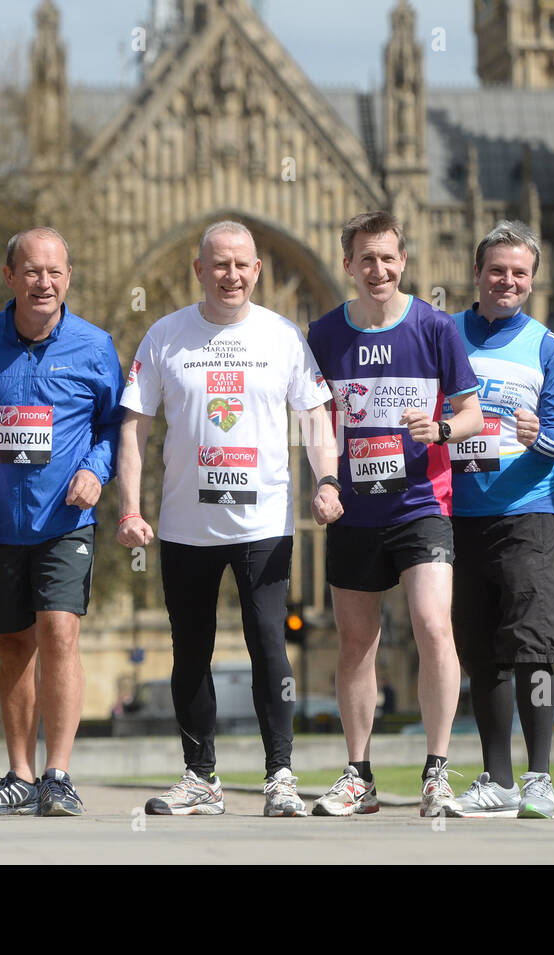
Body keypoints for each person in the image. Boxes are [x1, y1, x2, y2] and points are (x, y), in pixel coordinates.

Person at [118, 220, 341, 817]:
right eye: (219, 264)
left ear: (257, 270)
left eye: (242, 264)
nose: (232, 275)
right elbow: (134, 426)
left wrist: (326, 479)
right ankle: (200, 779)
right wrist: (131, 506)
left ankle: (281, 777)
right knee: (190, 649)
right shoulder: (165, 336)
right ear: (200, 271)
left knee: (269, 643)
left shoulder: (283, 336)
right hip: (185, 524)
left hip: (263, 523)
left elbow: (317, 417)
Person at [306, 211, 483, 817]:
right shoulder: (325, 334)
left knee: (434, 625)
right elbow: (315, 421)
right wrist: (326, 481)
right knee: (357, 642)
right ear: (348, 264)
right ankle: (358, 775)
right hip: (353, 511)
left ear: (402, 261)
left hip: (421, 504)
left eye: (388, 258)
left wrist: (439, 427)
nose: (377, 269)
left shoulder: (435, 326)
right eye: (365, 259)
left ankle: (437, 772)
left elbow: (473, 415)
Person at [0, 227, 124, 816]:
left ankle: (59, 774)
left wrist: (97, 472)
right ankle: (20, 773)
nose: (43, 282)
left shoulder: (96, 347)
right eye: (31, 271)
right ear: (10, 277)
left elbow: (112, 427)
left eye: (54, 272)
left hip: (65, 519)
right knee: (13, 646)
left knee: (59, 632)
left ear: (68, 278)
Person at [444, 221, 554, 819]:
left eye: (519, 273)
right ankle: (496, 779)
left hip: (527, 514)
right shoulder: (446, 335)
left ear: (531, 280)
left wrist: (537, 437)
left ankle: (539, 777)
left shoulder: (548, 346)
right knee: (482, 649)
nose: (507, 281)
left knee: (534, 645)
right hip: (459, 514)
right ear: (477, 274)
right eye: (497, 270)